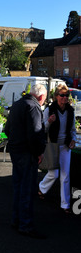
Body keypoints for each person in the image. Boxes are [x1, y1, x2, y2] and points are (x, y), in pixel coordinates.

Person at [4, 83, 47, 238]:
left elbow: (7, 129)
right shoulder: (34, 107)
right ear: (41, 96)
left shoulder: (17, 104)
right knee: (27, 190)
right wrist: (39, 153)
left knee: (18, 187)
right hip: (27, 153)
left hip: (15, 151)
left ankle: (16, 220)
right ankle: (25, 224)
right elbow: (35, 134)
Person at [38, 84, 76, 214]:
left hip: (65, 145)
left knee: (65, 175)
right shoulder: (49, 109)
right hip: (52, 144)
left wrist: (73, 139)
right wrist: (49, 121)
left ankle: (65, 204)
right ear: (56, 97)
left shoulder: (70, 111)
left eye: (66, 95)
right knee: (54, 173)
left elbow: (73, 129)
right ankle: (42, 188)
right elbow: (43, 129)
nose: (65, 98)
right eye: (62, 95)